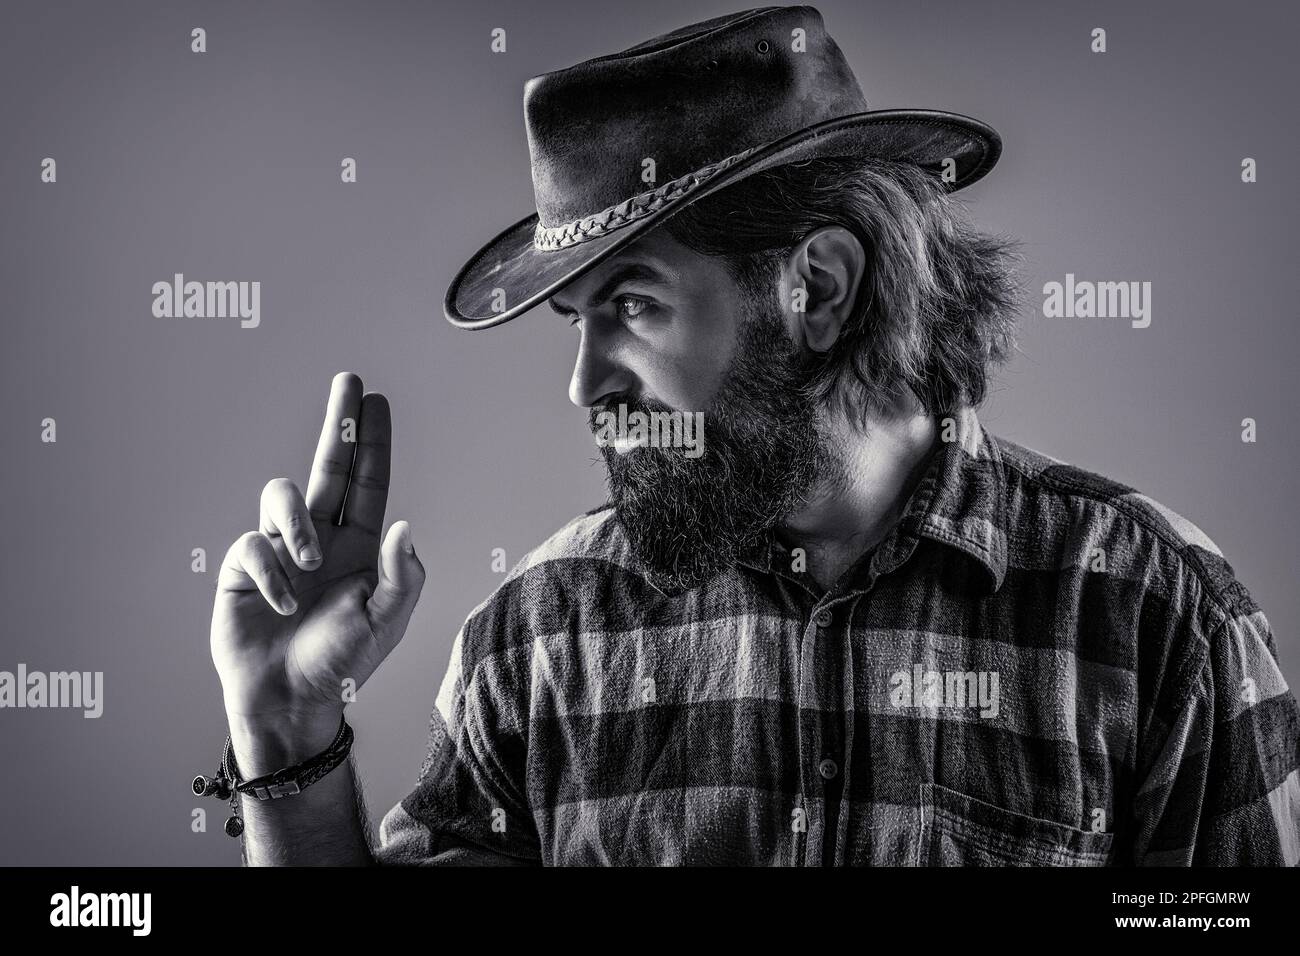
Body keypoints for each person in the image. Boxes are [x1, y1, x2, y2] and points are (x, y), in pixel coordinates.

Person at [207, 6, 1300, 865]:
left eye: (630, 304)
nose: (584, 380)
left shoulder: (1152, 618)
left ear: (815, 286)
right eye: (573, 318)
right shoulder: (538, 637)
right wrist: (287, 731)